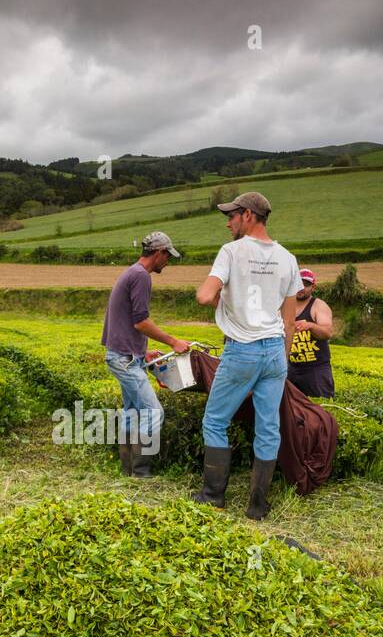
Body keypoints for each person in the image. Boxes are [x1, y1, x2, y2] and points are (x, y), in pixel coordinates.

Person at [192, 192, 302, 519]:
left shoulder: (231, 252)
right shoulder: (288, 258)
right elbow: (290, 320)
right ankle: (258, 504)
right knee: (268, 427)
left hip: (242, 348)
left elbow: (203, 295)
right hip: (275, 351)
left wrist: (222, 299)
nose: (228, 223)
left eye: (232, 216)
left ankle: (213, 495)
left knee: (215, 420)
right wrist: (282, 361)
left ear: (249, 216)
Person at [100, 231, 190, 477]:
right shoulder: (141, 276)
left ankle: (128, 470)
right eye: (167, 256)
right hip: (125, 360)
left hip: (124, 355)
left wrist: (143, 351)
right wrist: (173, 341)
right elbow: (140, 321)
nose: (167, 262)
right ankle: (141, 473)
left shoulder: (132, 272)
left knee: (132, 412)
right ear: (159, 253)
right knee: (154, 412)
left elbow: (126, 321)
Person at [286, 268, 334, 398]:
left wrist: (310, 326)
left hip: (315, 370)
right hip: (291, 368)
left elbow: (328, 332)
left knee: (321, 408)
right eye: (298, 284)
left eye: (306, 285)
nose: (301, 288)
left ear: (313, 287)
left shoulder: (318, 306)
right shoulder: (285, 306)